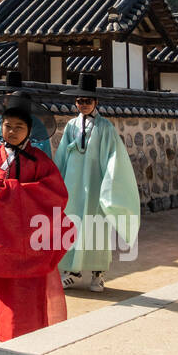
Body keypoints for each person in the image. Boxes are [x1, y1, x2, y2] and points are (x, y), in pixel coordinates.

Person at [0, 93, 72, 341]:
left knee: (28, 295)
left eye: (19, 127)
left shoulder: (41, 162)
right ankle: (1, 340)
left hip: (29, 244)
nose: (11, 131)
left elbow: (56, 196)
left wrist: (13, 193)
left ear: (29, 130)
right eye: (7, 126)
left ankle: (29, 340)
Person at [54, 73, 140, 292]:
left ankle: (97, 274)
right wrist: (57, 182)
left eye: (87, 101)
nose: (83, 104)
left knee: (97, 227)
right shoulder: (71, 126)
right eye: (80, 101)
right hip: (73, 185)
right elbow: (63, 155)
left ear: (96, 102)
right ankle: (72, 272)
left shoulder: (105, 128)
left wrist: (109, 184)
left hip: (95, 184)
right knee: (72, 225)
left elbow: (114, 158)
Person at [0, 71, 53, 160]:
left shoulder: (35, 124)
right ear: (4, 100)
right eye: (9, 98)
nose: (12, 102)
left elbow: (41, 150)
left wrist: (19, 148)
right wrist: (1, 148)